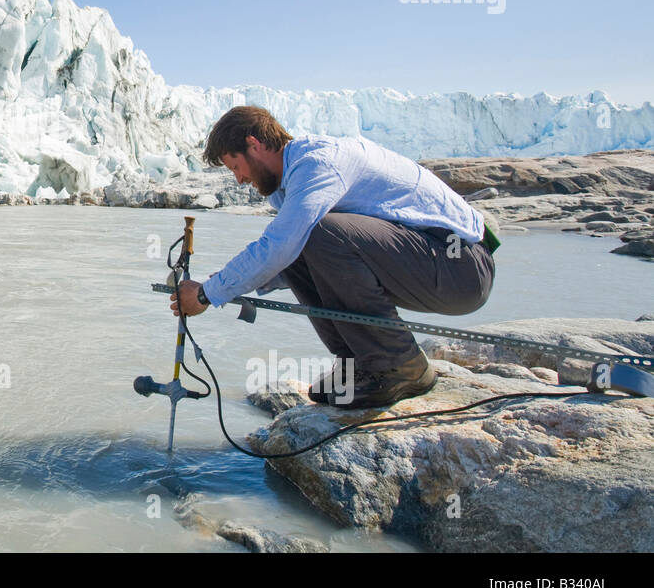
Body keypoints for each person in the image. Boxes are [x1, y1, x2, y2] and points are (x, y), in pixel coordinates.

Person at [168, 105, 497, 408]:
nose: (239, 179)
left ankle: (400, 366)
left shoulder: (318, 164)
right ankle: (359, 363)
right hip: (433, 262)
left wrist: (205, 295)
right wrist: (217, 285)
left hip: (462, 265)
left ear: (255, 145)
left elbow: (281, 243)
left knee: (316, 232)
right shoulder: (291, 184)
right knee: (301, 243)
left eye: (236, 167)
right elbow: (287, 258)